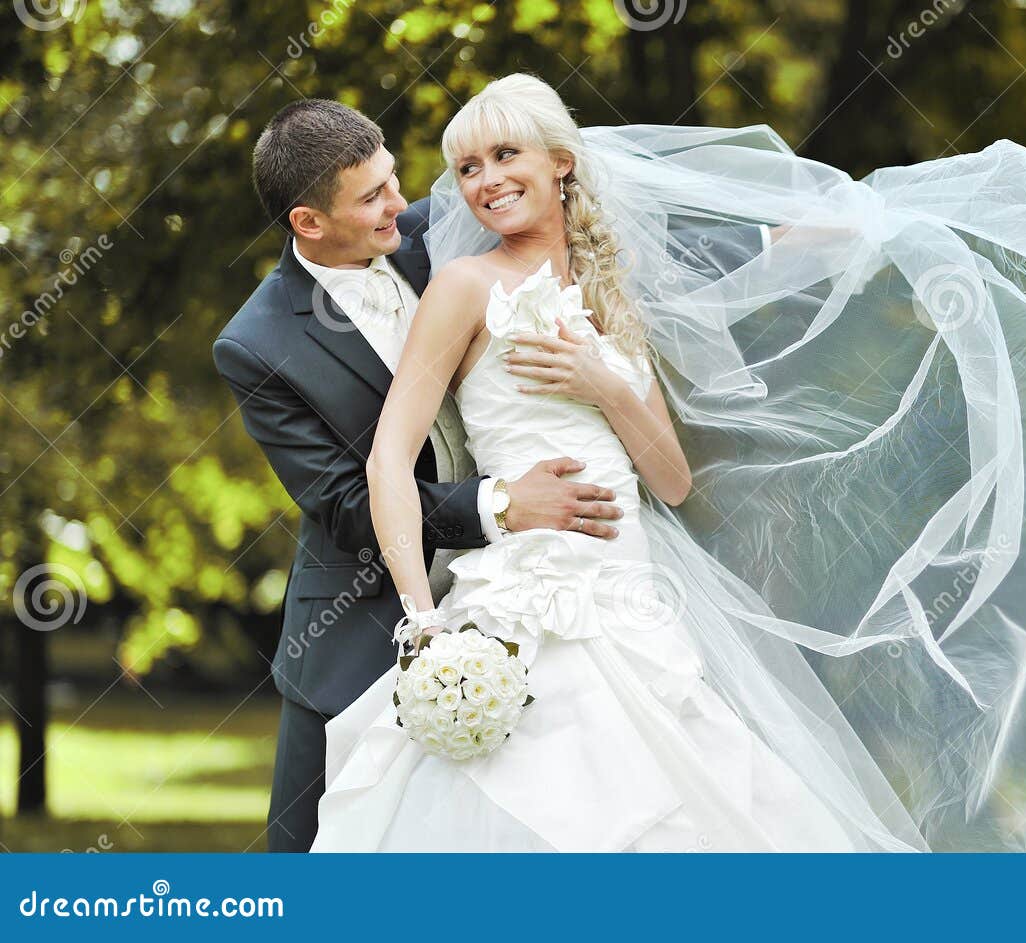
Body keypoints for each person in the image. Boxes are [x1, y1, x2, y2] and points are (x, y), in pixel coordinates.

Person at [309, 73, 1026, 852]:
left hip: (635, 601)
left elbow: (670, 481)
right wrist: (425, 621)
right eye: (467, 167)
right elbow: (393, 458)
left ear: (561, 161)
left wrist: (608, 381)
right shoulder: (466, 287)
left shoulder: (611, 296)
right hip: (521, 600)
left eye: (506, 155)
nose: (485, 181)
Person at [212, 98, 771, 852]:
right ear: (309, 223)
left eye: (395, 179)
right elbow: (348, 499)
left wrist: (605, 380)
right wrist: (502, 507)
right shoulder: (257, 342)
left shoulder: (445, 233)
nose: (405, 205)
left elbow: (620, 221)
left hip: (604, 581)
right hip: (370, 611)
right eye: (374, 196)